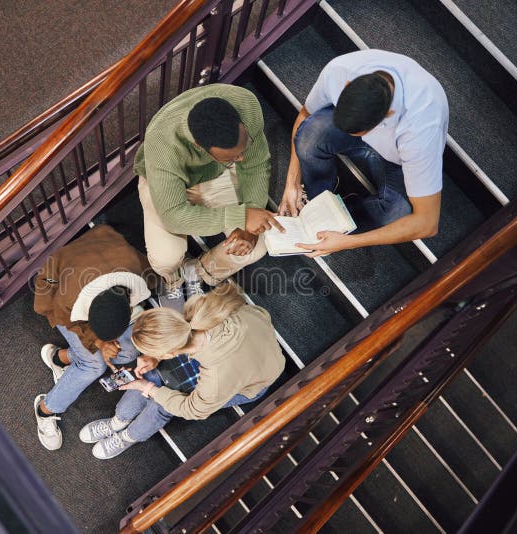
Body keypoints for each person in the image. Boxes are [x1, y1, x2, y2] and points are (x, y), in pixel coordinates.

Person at [78, 284, 285, 459]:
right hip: (248, 345)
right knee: (152, 375)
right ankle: (118, 420)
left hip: (250, 383)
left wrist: (149, 388)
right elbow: (259, 312)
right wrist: (155, 358)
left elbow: (192, 409)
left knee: (166, 402)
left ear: (172, 353)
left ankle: (128, 436)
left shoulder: (215, 380)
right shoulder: (204, 313)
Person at [279, 50, 448, 257]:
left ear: (388, 115)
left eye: (358, 132)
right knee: (310, 134)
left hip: (400, 162)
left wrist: (348, 242)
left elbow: (427, 223)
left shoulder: (421, 128)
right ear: (348, 85)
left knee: (397, 213)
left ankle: (341, 223)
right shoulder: (339, 70)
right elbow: (306, 114)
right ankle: (317, 200)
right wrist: (292, 181)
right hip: (376, 130)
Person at [133, 83, 284, 309]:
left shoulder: (246, 104)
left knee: (256, 247)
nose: (242, 158)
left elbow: (256, 164)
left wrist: (250, 222)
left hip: (215, 174)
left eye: (243, 149)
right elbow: (174, 216)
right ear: (198, 146)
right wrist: (240, 216)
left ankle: (199, 271)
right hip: (165, 187)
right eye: (233, 156)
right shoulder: (163, 144)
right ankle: (172, 280)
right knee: (166, 259)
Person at [31, 224, 154, 450]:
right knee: (93, 366)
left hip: (97, 274)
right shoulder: (66, 300)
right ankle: (45, 409)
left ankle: (61, 358)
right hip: (54, 284)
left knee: (126, 350)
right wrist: (97, 342)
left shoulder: (139, 270)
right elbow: (44, 302)